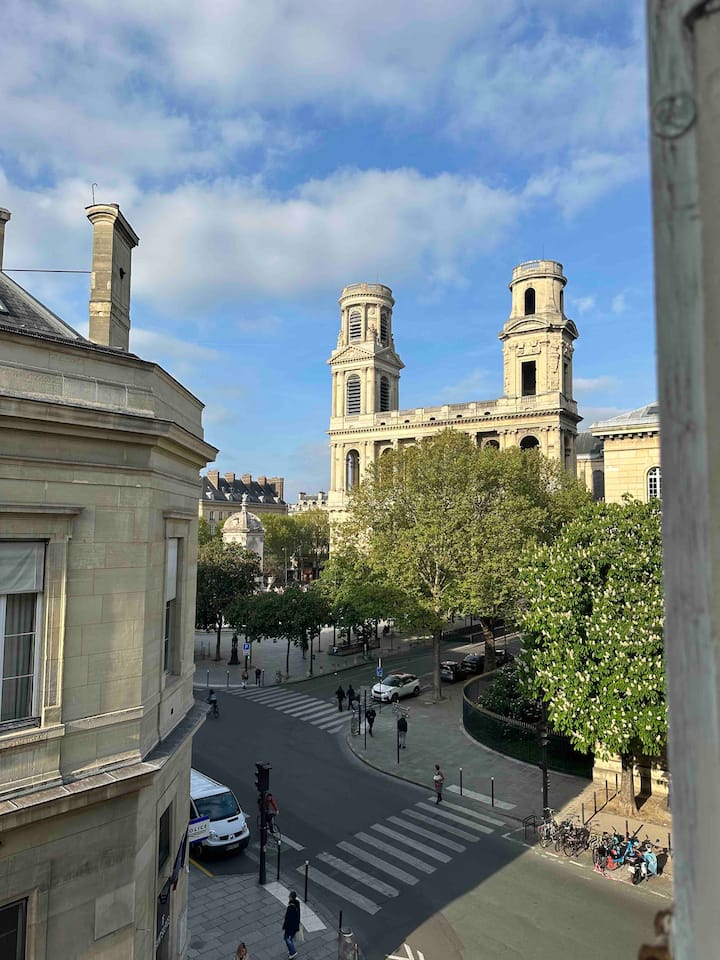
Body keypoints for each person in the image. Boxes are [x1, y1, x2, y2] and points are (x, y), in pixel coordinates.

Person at [282, 889, 301, 959]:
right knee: (292, 938)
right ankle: (291, 951)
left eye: (289, 896)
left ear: (291, 897)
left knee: (286, 938)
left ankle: (293, 952)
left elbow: (287, 919)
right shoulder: (297, 903)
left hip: (290, 927)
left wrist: (284, 927)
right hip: (295, 925)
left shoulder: (290, 907)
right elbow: (298, 914)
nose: (288, 897)